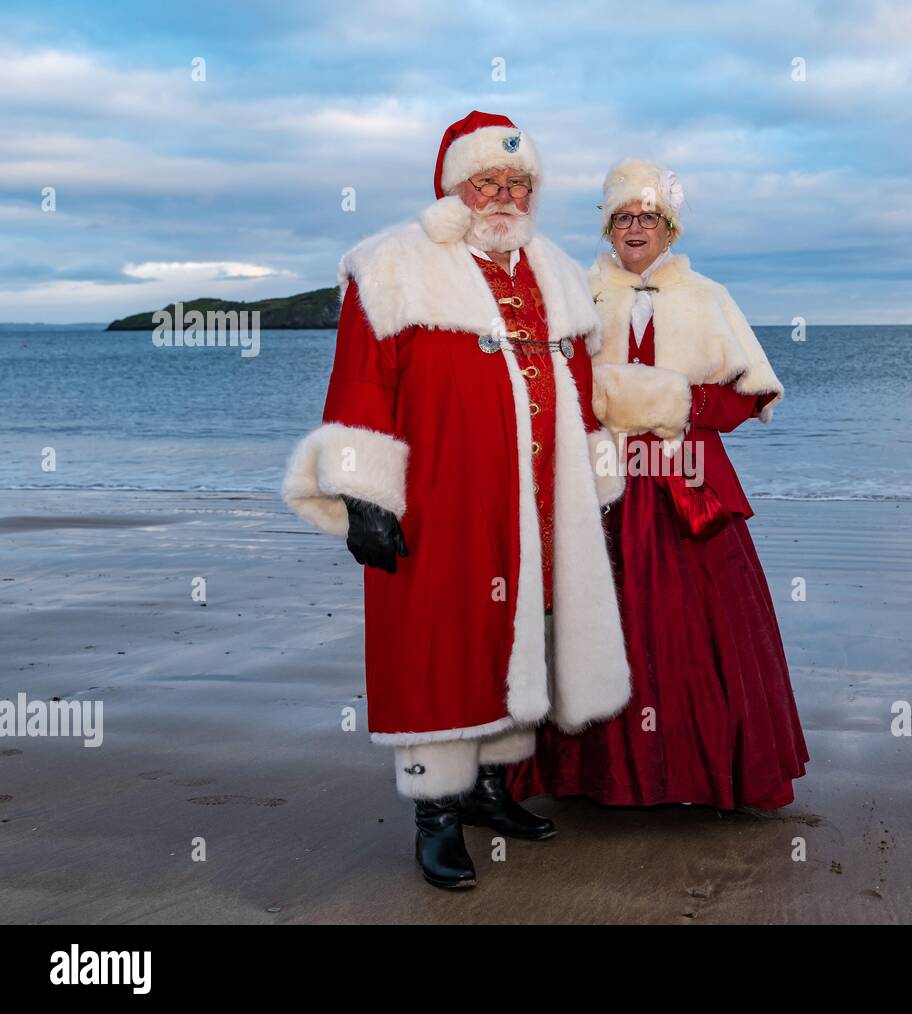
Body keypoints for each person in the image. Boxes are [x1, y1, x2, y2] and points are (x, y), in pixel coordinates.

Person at [282, 111, 629, 889]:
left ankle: (488, 788)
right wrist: (361, 492)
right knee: (437, 643)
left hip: (538, 501)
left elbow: (581, 387)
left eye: (519, 182)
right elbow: (361, 381)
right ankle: (435, 813)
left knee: (518, 634)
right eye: (488, 180)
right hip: (437, 498)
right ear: (454, 185)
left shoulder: (561, 272)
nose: (504, 194)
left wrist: (598, 478)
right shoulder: (391, 265)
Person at [507, 159, 808, 810]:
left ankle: (703, 777)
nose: (635, 227)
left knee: (698, 629)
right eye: (624, 217)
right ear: (608, 228)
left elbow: (745, 399)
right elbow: (550, 391)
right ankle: (593, 775)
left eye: (647, 217)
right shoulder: (578, 295)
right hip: (601, 483)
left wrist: (674, 402)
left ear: (669, 229)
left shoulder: (708, 297)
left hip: (686, 484)